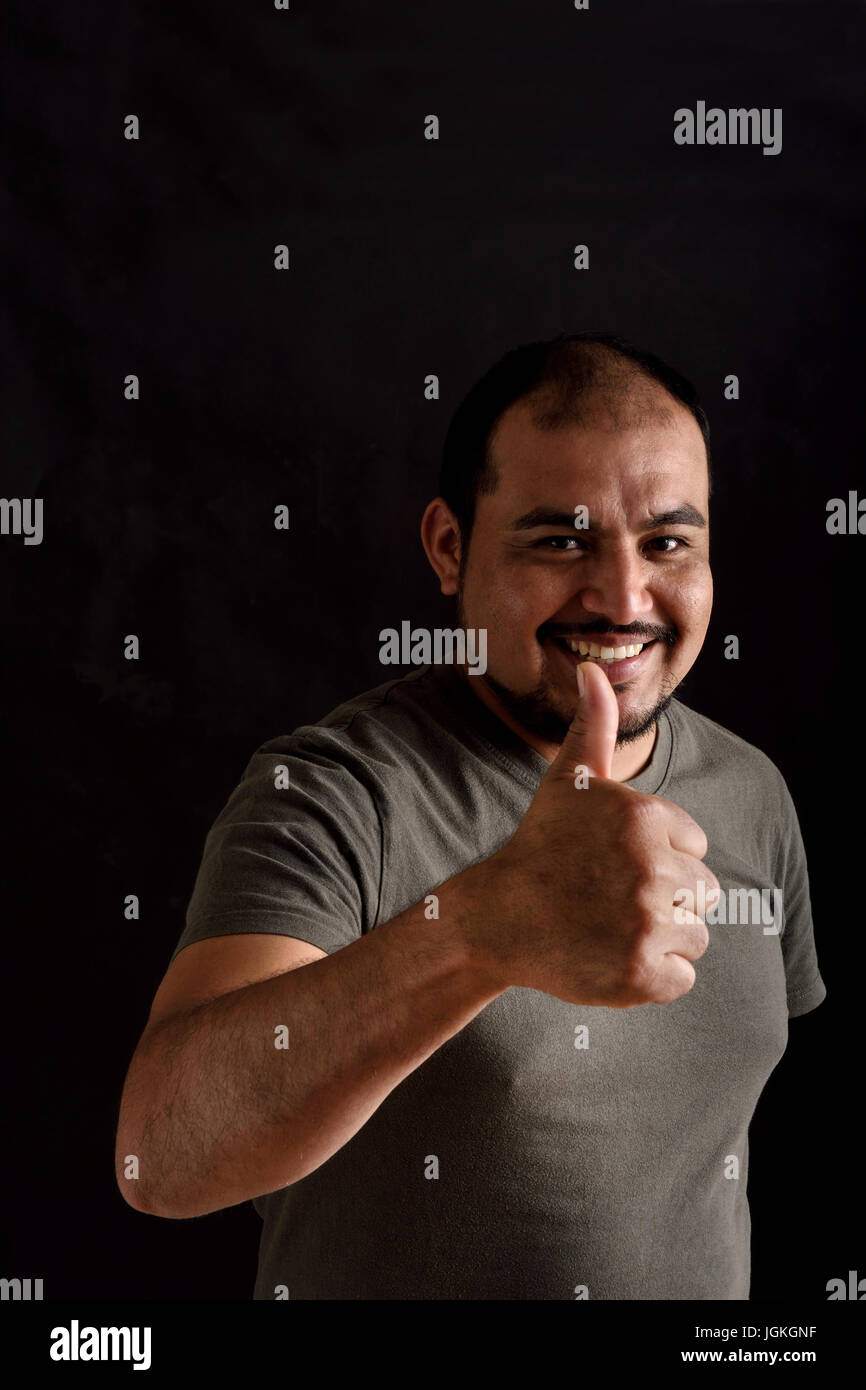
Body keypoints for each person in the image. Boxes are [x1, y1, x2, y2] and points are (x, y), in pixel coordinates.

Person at [115, 332, 826, 1300]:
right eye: (560, 540)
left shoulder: (750, 788)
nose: (622, 597)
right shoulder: (330, 790)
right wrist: (482, 931)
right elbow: (158, 1157)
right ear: (449, 547)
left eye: (666, 542)